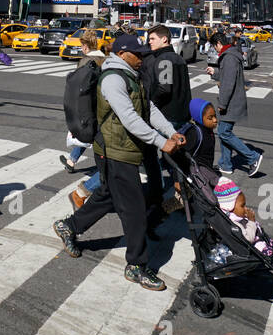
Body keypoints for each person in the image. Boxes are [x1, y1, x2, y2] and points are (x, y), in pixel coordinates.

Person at [53, 34, 185, 291]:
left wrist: (170, 131)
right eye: (139, 54)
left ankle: (68, 226)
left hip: (124, 148)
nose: (143, 58)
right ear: (124, 54)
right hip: (114, 151)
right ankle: (136, 265)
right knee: (134, 209)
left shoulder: (132, 76)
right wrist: (161, 142)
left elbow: (148, 109)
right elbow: (129, 118)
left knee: (110, 195)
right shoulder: (113, 78)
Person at [140, 24, 192, 228]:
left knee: (164, 156)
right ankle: (183, 194)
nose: (148, 42)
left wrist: (148, 105)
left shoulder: (164, 59)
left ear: (164, 39)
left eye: (152, 39)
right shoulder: (178, 58)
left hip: (167, 115)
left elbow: (163, 88)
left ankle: (179, 196)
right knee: (174, 158)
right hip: (181, 113)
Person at [207, 32, 263, 176]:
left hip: (231, 102)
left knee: (223, 132)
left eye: (215, 47)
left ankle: (252, 157)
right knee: (224, 132)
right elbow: (227, 75)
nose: (216, 50)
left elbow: (228, 83)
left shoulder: (229, 57)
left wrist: (223, 104)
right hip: (232, 101)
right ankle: (226, 164)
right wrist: (215, 72)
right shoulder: (230, 55)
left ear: (218, 44)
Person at [63, 29, 107, 209]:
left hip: (88, 109)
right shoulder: (103, 59)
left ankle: (78, 168)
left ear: (86, 46)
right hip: (101, 108)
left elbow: (78, 90)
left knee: (89, 139)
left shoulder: (86, 61)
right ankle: (73, 161)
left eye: (82, 45)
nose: (81, 48)